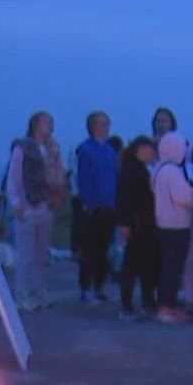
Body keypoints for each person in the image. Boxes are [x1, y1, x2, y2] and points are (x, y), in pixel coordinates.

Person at [5, 111, 68, 312]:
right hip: (28, 205)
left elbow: (61, 176)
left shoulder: (53, 150)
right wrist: (16, 203)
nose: (49, 126)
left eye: (51, 122)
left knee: (42, 254)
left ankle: (41, 291)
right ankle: (22, 295)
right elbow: (13, 178)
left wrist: (58, 196)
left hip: (46, 206)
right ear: (35, 125)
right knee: (25, 256)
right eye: (45, 122)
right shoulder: (23, 148)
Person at [75, 111, 120, 305]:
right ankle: (86, 289)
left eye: (107, 123)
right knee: (90, 250)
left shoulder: (110, 150)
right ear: (93, 126)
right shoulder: (87, 149)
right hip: (94, 208)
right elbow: (84, 179)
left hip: (110, 207)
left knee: (104, 250)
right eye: (102, 124)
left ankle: (100, 287)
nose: (107, 127)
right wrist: (90, 203)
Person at [153, 132, 193, 322]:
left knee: (168, 267)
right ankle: (166, 308)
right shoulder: (172, 171)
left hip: (163, 223)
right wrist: (192, 190)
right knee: (173, 268)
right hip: (176, 225)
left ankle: (166, 305)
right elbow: (186, 198)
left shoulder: (158, 168)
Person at [117, 136, 161, 322]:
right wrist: (125, 223)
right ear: (142, 148)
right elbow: (124, 199)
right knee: (132, 265)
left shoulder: (143, 169)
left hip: (148, 222)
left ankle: (147, 301)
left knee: (147, 265)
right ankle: (127, 305)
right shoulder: (130, 170)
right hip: (137, 222)